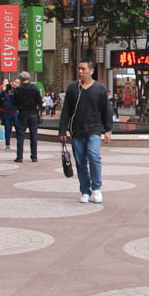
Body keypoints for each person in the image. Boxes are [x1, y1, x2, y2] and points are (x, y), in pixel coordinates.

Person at [59, 59, 112, 204]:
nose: (80, 72)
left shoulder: (100, 88)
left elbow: (106, 110)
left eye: (83, 69)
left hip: (94, 129)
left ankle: (96, 188)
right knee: (80, 162)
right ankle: (85, 190)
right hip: (76, 131)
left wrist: (108, 129)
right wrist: (62, 130)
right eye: (79, 69)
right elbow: (66, 111)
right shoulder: (72, 88)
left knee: (93, 155)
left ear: (92, 71)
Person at [14, 71, 43, 163]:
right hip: (33, 113)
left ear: (21, 79)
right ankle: (34, 156)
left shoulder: (18, 89)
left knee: (20, 135)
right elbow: (39, 101)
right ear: (29, 78)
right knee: (33, 135)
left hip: (22, 113)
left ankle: (19, 157)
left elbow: (15, 102)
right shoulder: (34, 88)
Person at [0, 81, 20, 150]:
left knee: (18, 129)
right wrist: (3, 91)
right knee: (7, 129)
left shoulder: (15, 92)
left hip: (14, 112)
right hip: (6, 113)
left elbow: (17, 100)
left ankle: (20, 144)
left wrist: (13, 93)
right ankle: (7, 144)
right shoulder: (4, 93)